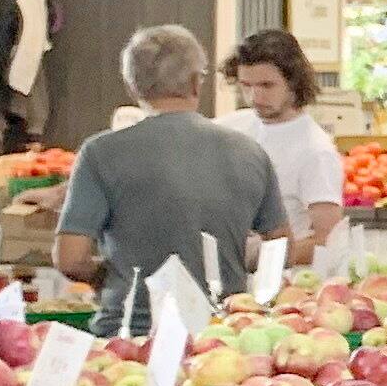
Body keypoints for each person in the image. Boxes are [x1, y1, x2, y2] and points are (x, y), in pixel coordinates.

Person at [55, 26, 287, 337]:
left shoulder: (100, 153)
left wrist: (108, 274)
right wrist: (229, 256)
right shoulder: (249, 152)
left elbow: (70, 258)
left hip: (130, 336)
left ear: (132, 86)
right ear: (196, 82)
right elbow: (280, 247)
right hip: (222, 337)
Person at [219, 31, 346, 265]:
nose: (254, 96)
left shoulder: (316, 152)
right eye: (246, 85)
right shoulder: (229, 128)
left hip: (289, 285)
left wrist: (262, 257)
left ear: (293, 82)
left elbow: (328, 239)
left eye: (267, 85)